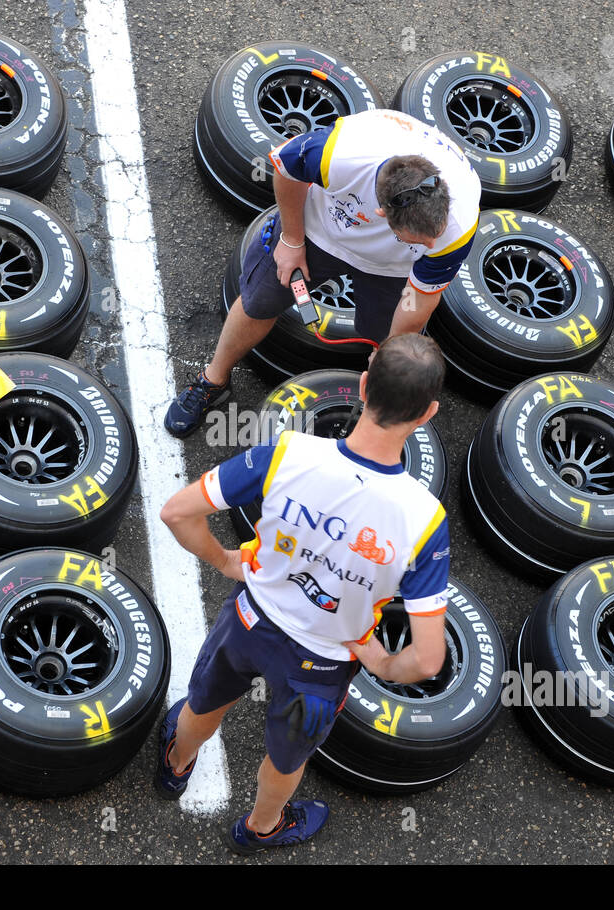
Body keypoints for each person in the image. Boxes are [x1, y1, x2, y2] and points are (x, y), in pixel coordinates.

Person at [157, 334, 452, 853]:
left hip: (248, 621)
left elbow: (178, 512)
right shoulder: (425, 520)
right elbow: (428, 660)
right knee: (287, 758)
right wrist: (383, 666)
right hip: (322, 667)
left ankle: (176, 766)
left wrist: (226, 561)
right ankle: (259, 829)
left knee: (203, 702)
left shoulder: (288, 452)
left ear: (362, 386)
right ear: (427, 413)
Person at [164, 108, 481, 437]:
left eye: (434, 238)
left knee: (390, 343)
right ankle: (212, 381)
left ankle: (377, 425)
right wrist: (291, 239)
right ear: (380, 213)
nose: (432, 244)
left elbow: (417, 301)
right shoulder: (341, 154)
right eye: (419, 240)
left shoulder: (456, 225)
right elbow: (286, 168)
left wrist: (387, 352)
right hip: (321, 227)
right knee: (260, 298)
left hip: (392, 267)